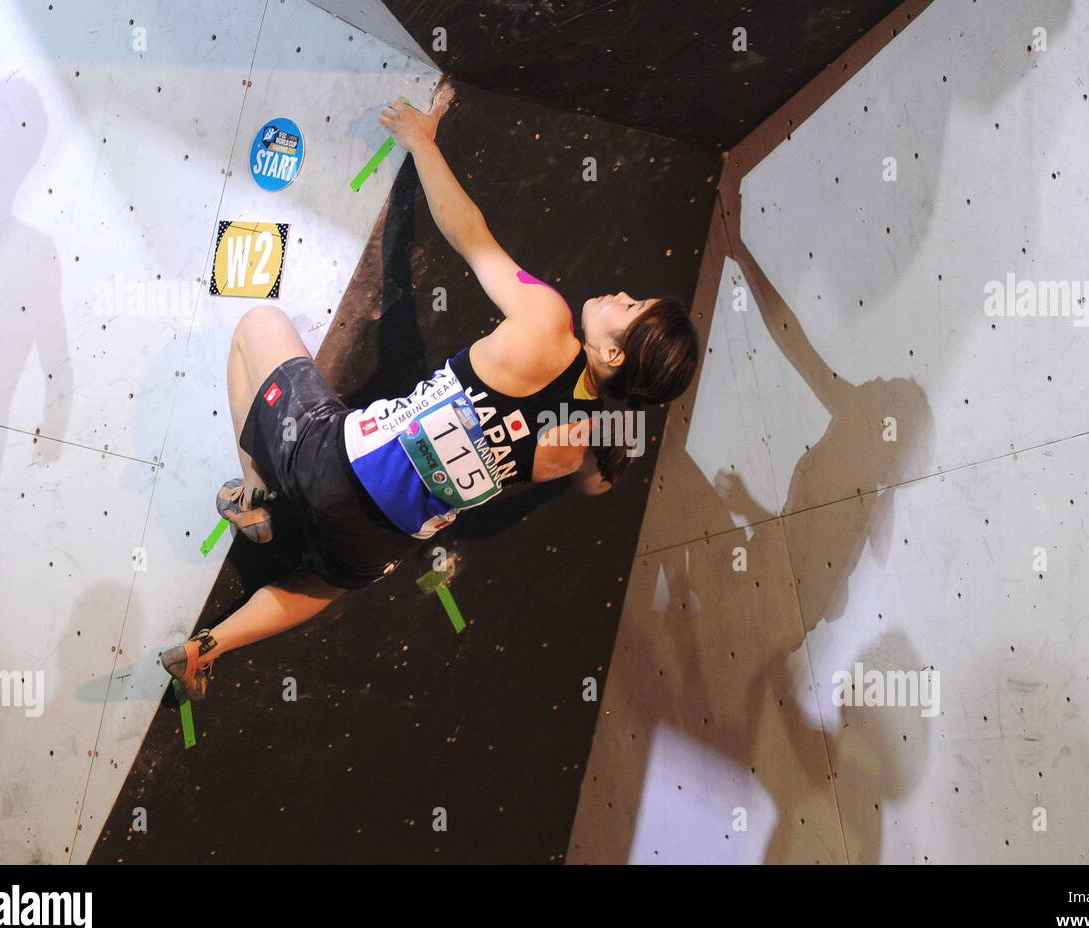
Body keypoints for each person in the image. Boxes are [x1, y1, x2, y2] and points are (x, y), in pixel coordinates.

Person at [160, 81, 699, 700]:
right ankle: (209, 647)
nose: (618, 294)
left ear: (612, 352)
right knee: (328, 583)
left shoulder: (548, 323)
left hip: (335, 463)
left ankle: (254, 496)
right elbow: (594, 475)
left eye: (629, 307)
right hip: (382, 541)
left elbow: (469, 232)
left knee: (258, 326)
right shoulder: (573, 453)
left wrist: (420, 141)